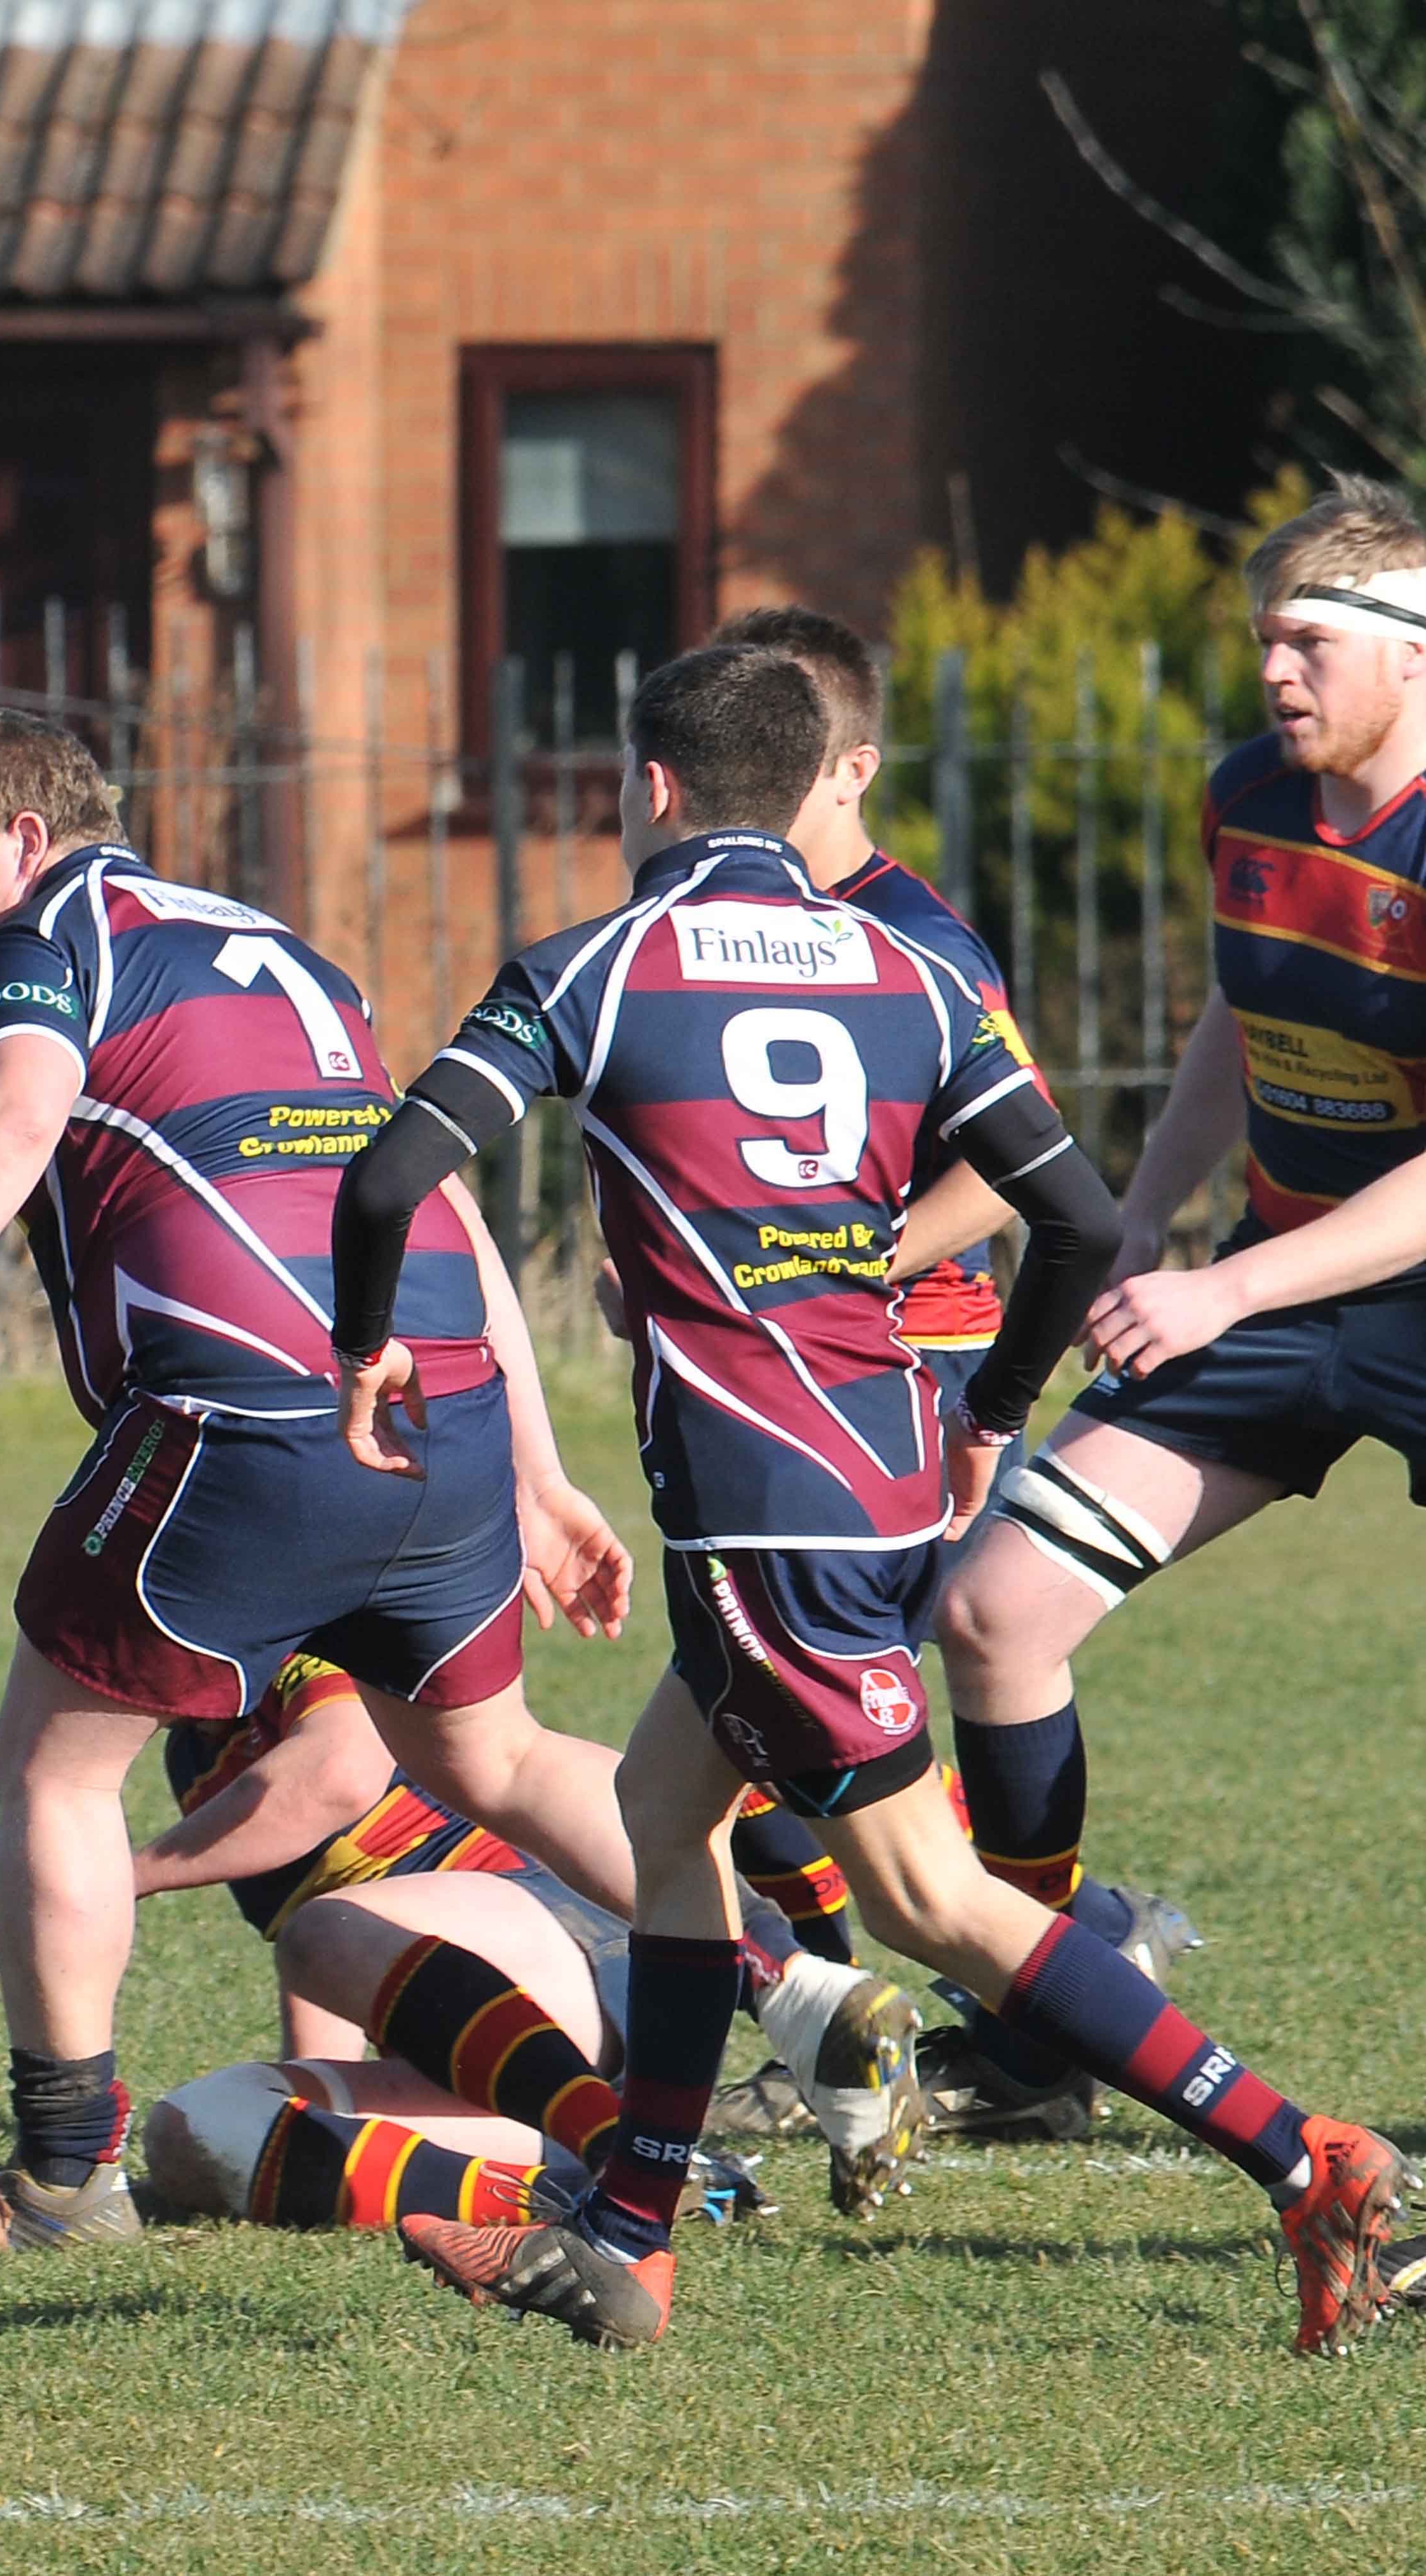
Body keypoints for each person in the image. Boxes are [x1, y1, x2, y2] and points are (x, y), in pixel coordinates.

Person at [331, 639, 1400, 2353]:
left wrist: (368, 1350)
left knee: (925, 1898)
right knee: (666, 1816)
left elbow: (388, 1171)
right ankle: (631, 2238)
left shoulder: (586, 966)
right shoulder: (905, 970)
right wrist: (990, 1403)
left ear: (654, 790)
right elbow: (1077, 1217)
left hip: (765, 1512)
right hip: (882, 1469)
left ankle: (1304, 2152)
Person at [0, 707, 827, 2245]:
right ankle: (805, 1996)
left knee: (54, 1771)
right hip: (432, 1398)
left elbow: (11, 1114)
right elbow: (416, 1189)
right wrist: (525, 1465)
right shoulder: (282, 952)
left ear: (24, 844)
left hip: (254, 1416)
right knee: (488, 1760)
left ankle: (57, 2177)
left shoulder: (43, 938)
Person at [658, 607, 1205, 2146]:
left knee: (788, 1737)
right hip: (795, 1380)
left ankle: (1001, 1992)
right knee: (778, 1738)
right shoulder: (736, 926)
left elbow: (1012, 1166)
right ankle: (970, 1989)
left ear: (847, 772)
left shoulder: (910, 934)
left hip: (899, 1367)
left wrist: (844, 1256)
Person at [932, 481, 1426, 2138]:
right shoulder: (1251, 799)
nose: (1276, 670)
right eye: (1265, 636)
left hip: (1334, 1286)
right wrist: (1147, 1212)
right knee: (998, 1610)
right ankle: (1035, 2024)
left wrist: (1225, 1277)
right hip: (1278, 1289)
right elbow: (1239, 1006)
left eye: (1312, 638)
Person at [125, 1658, 899, 2236]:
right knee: (194, 2133)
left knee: (323, 1928)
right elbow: (308, 1948)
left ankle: (786, 1982)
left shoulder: (302, 1646)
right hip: (473, 2013)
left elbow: (336, 1771)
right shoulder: (192, 1752)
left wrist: (126, 1875)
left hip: (560, 1930)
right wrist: (312, 2109)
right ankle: (637, 2169)